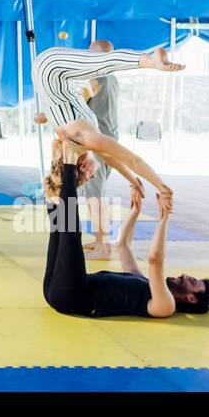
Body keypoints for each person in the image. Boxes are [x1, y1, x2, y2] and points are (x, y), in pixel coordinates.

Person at [42, 137, 209, 318]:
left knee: (69, 232)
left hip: (74, 297)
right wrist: (135, 210)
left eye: (192, 281)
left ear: (191, 298)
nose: (186, 275)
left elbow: (155, 260)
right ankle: (62, 165)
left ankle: (70, 159)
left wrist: (165, 216)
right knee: (59, 225)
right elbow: (123, 244)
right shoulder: (142, 281)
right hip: (56, 290)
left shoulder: (165, 305)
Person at [32, 45, 181, 208]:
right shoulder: (74, 144)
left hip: (50, 69)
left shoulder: (86, 139)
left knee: (101, 65)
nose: (93, 176)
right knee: (92, 76)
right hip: (53, 76)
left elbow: (133, 160)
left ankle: (150, 60)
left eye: (90, 177)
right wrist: (133, 181)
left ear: (83, 166)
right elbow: (113, 159)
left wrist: (162, 187)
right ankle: (147, 60)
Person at [80, 39, 121, 259]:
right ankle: (100, 241)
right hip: (109, 141)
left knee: (94, 196)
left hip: (98, 143)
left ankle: (103, 246)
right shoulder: (112, 78)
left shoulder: (95, 78)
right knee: (97, 194)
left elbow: (78, 108)